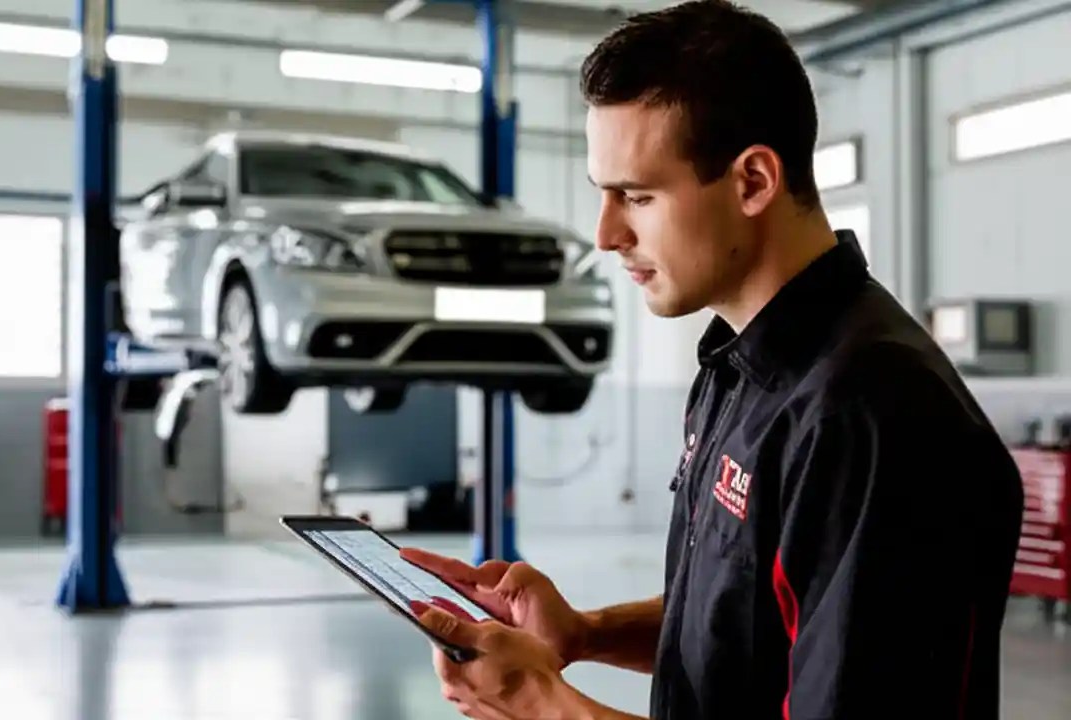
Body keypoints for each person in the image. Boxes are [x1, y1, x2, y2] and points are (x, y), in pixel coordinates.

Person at [400, 1, 1025, 718]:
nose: (605, 234)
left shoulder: (873, 414)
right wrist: (583, 633)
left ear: (752, 181)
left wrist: (543, 704)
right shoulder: (736, 370)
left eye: (636, 195)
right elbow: (748, 619)